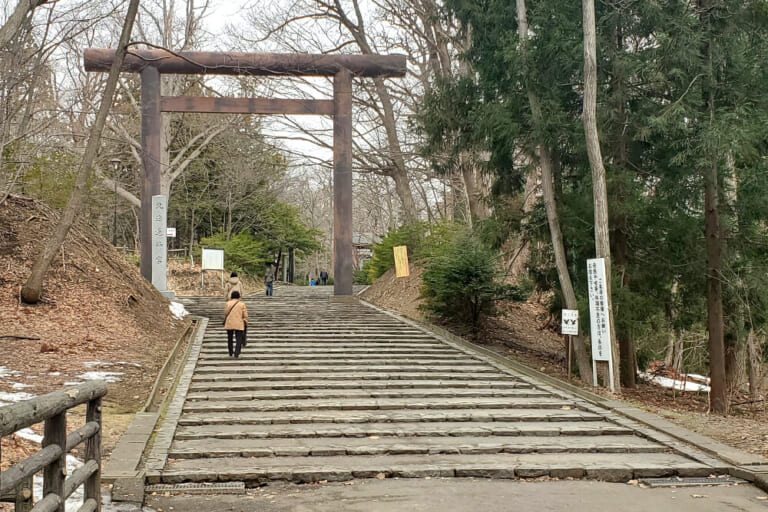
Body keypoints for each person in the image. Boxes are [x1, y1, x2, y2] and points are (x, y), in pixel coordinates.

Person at [223, 291, 247, 358]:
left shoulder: (228, 303)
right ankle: (237, 353)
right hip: (239, 322)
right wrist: (245, 321)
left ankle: (230, 352)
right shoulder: (242, 304)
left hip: (230, 322)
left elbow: (225, 313)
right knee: (238, 338)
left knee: (229, 338)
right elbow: (245, 315)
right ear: (239, 296)